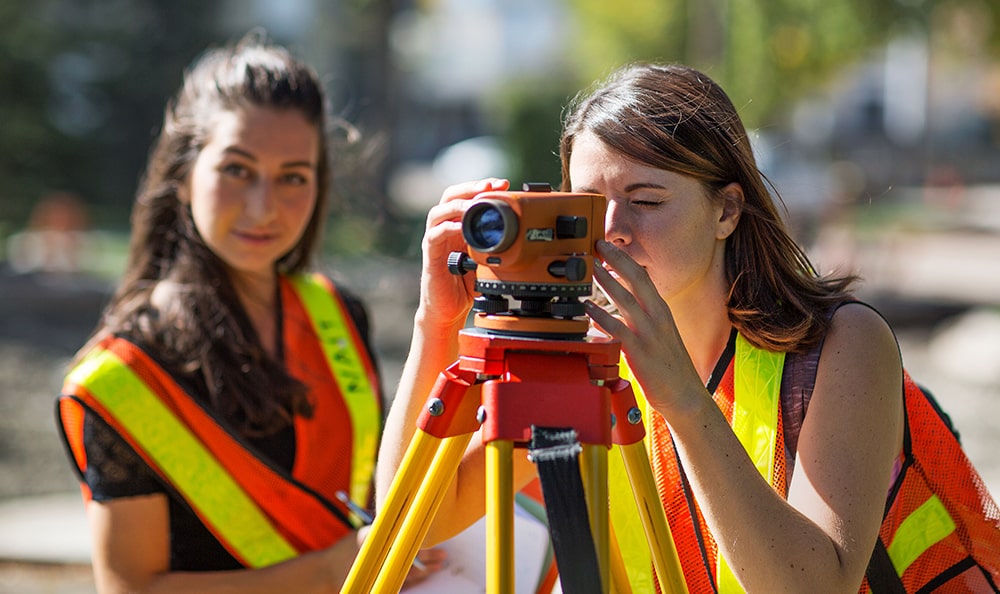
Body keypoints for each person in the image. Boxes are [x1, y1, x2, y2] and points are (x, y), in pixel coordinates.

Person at [378, 63, 1000, 592]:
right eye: (588, 206)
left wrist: (679, 395)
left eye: (647, 200)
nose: (615, 229)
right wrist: (436, 324)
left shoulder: (841, 344)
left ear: (726, 209)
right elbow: (412, 520)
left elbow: (816, 584)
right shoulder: (583, 358)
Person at [55, 32, 443, 593]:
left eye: (293, 177)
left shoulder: (336, 312)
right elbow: (130, 588)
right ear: (185, 177)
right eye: (237, 170)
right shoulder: (125, 377)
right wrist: (332, 569)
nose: (264, 207)